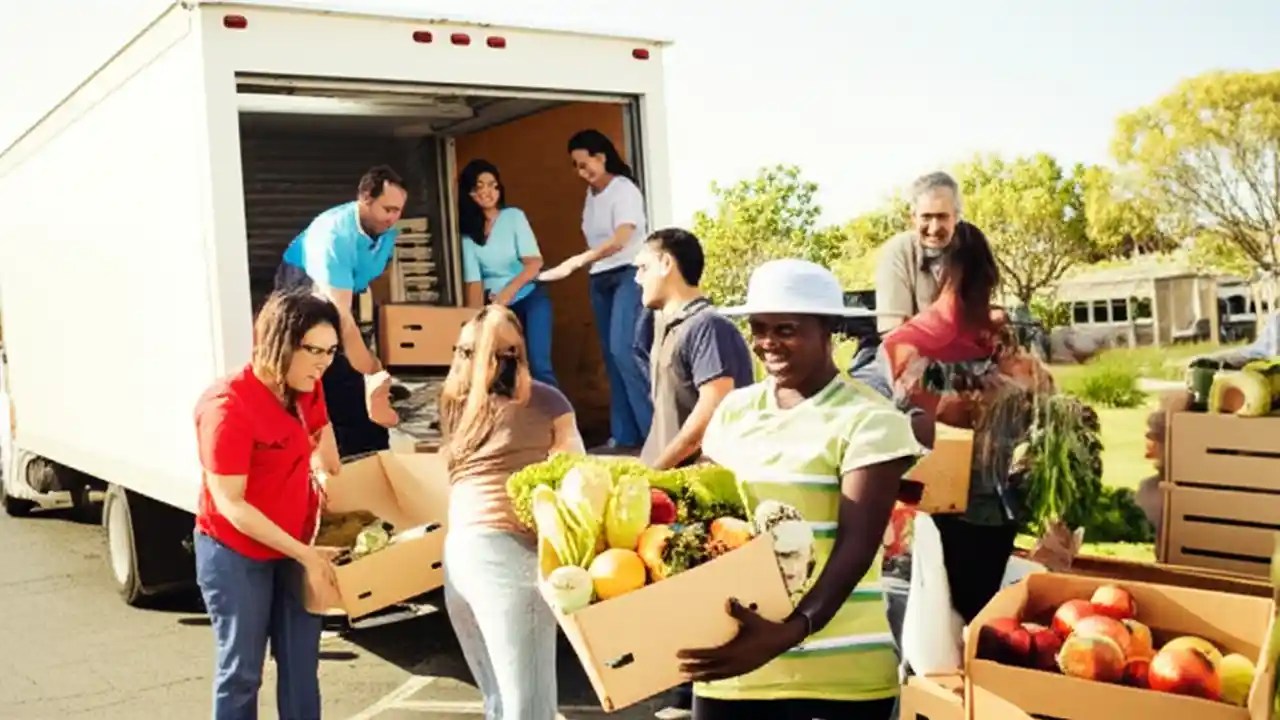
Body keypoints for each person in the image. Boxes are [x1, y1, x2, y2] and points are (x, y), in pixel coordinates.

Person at [678, 259, 923, 720]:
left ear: (828, 328)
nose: (768, 342)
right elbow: (707, 523)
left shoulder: (868, 419)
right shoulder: (734, 410)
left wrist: (791, 630)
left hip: (838, 677)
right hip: (733, 668)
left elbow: (856, 546)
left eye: (786, 329)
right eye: (760, 328)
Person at [880, 222, 1046, 624]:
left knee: (945, 628)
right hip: (952, 510)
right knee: (956, 624)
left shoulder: (994, 338)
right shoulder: (920, 341)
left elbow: (1039, 410)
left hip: (975, 507)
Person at [192, 289, 345, 719]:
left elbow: (321, 440)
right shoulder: (226, 407)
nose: (323, 363)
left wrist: (319, 469)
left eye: (330, 352)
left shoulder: (306, 385)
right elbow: (231, 503)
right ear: (276, 342)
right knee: (242, 671)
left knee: (301, 665)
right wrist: (306, 555)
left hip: (297, 546)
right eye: (313, 350)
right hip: (237, 552)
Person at [439, 305, 585, 720]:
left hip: (458, 559)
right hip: (509, 561)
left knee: (500, 704)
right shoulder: (545, 399)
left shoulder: (455, 405)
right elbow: (577, 470)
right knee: (530, 710)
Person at [275, 165, 406, 458]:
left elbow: (377, 278)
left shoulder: (386, 229)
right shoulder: (333, 237)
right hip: (304, 288)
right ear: (364, 199)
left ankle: (369, 448)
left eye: (399, 210)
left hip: (347, 289)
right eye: (388, 209)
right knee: (329, 367)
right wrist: (373, 372)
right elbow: (341, 319)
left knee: (356, 368)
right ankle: (339, 457)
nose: (393, 217)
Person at [539, 129, 653, 451]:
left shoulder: (624, 190)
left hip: (629, 273)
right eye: (576, 166)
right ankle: (625, 436)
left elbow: (620, 239)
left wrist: (576, 262)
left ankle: (654, 434)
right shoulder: (592, 195)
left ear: (601, 157)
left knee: (624, 350)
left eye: (585, 163)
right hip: (600, 278)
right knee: (609, 357)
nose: (582, 171)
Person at [635, 228, 755, 471]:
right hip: (664, 480)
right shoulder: (665, 327)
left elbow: (709, 415)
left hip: (695, 487)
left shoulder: (708, 326)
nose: (637, 278)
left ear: (666, 263)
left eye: (643, 267)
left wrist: (655, 473)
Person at [457, 159, 557, 387]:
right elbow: (474, 283)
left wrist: (506, 295)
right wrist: (476, 326)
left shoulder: (513, 216)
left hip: (530, 298)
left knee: (539, 366)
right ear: (468, 192)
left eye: (492, 185)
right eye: (478, 186)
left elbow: (534, 263)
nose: (487, 192)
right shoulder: (467, 235)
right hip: (496, 309)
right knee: (504, 369)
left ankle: (556, 420)